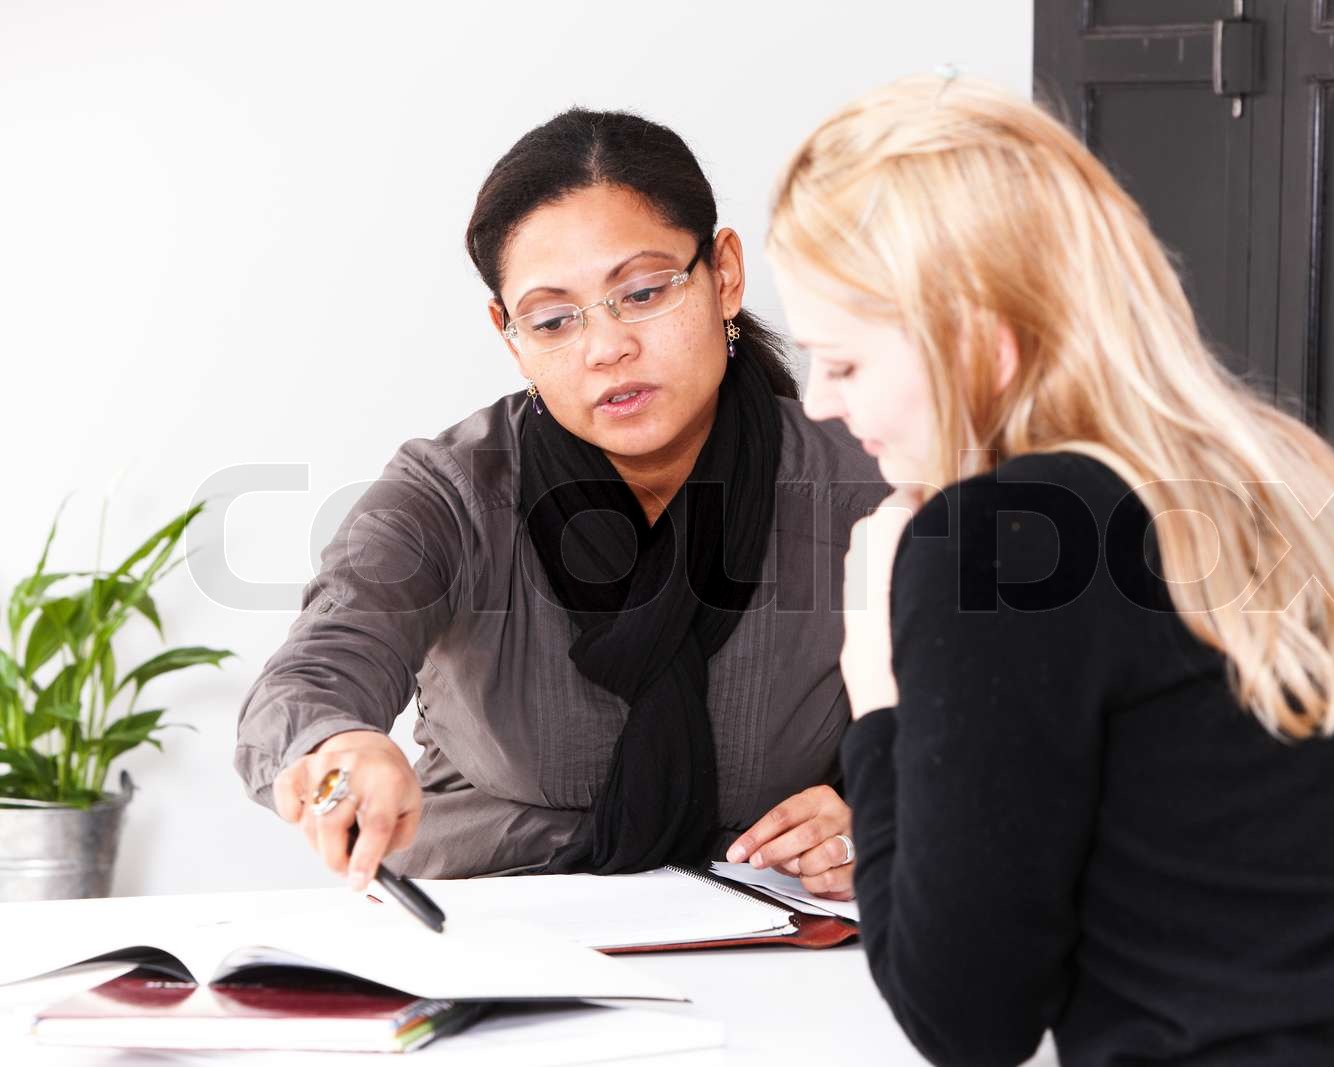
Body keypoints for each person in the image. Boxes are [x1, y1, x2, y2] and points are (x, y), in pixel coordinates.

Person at [766, 74, 1334, 1065]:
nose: (818, 401)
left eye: (845, 361)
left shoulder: (995, 537)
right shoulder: (1276, 476)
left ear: (978, 343)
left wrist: (877, 698)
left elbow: (965, 1019)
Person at [235, 108, 884, 895]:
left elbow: (988, 731)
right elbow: (314, 674)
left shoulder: (866, 476)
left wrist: (885, 810)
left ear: (726, 275)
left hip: (770, 946)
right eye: (552, 320)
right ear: (510, 335)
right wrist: (339, 751)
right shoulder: (451, 491)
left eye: (643, 292)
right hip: (484, 932)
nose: (606, 346)